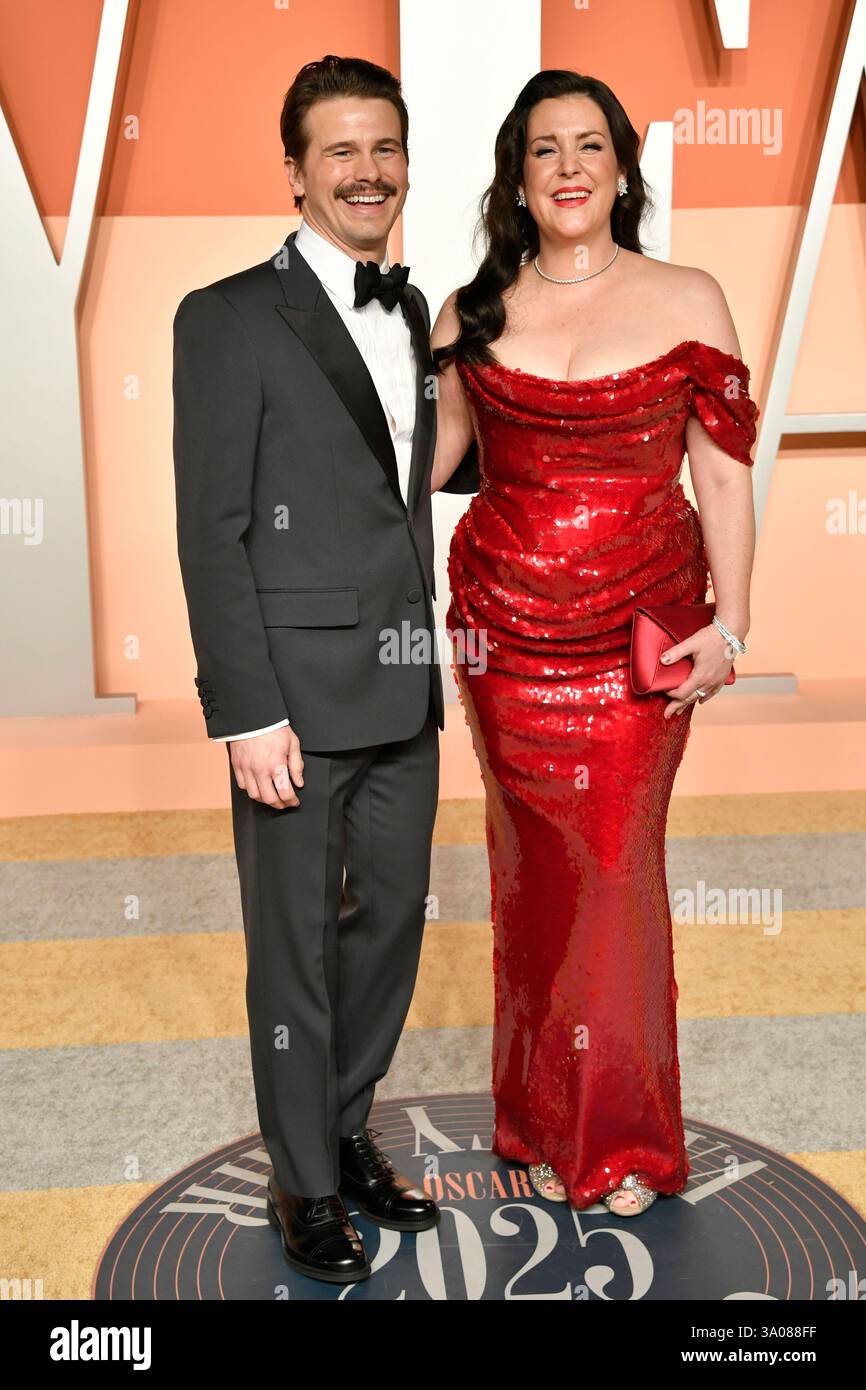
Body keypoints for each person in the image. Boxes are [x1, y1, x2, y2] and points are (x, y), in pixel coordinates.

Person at [430, 70, 758, 1216]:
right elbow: (424, 464)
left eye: (587, 146)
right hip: (500, 632)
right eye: (541, 149)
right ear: (516, 178)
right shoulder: (473, 311)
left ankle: (618, 1140)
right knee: (528, 876)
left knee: (616, 875)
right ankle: (527, 1122)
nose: (566, 167)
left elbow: (719, 469)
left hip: (640, 634)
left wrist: (733, 622)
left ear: (619, 167)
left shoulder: (688, 295)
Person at [172, 54, 474, 1284]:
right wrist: (246, 712)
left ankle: (344, 1127)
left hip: (403, 684)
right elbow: (212, 529)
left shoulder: (414, 314)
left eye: (384, 149)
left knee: (389, 928)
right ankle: (300, 1181)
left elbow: (418, 482)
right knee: (293, 942)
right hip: (290, 701)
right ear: (293, 170)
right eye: (339, 151)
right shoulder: (226, 315)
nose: (366, 171)